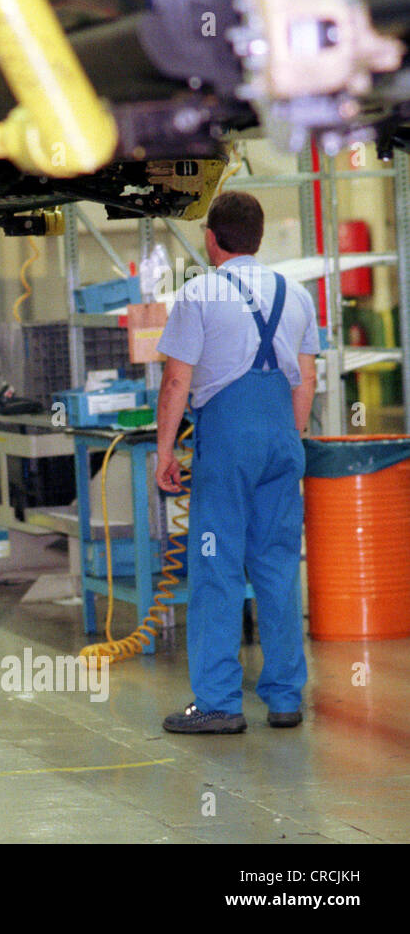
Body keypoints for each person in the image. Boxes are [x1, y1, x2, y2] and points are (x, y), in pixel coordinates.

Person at [155, 191, 318, 734]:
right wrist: (286, 440)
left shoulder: (198, 293)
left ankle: (220, 703)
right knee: (276, 566)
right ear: (259, 236)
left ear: (211, 238)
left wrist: (164, 449)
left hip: (227, 441)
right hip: (281, 436)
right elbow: (308, 378)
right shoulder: (297, 294)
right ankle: (285, 698)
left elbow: (177, 380)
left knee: (217, 566)